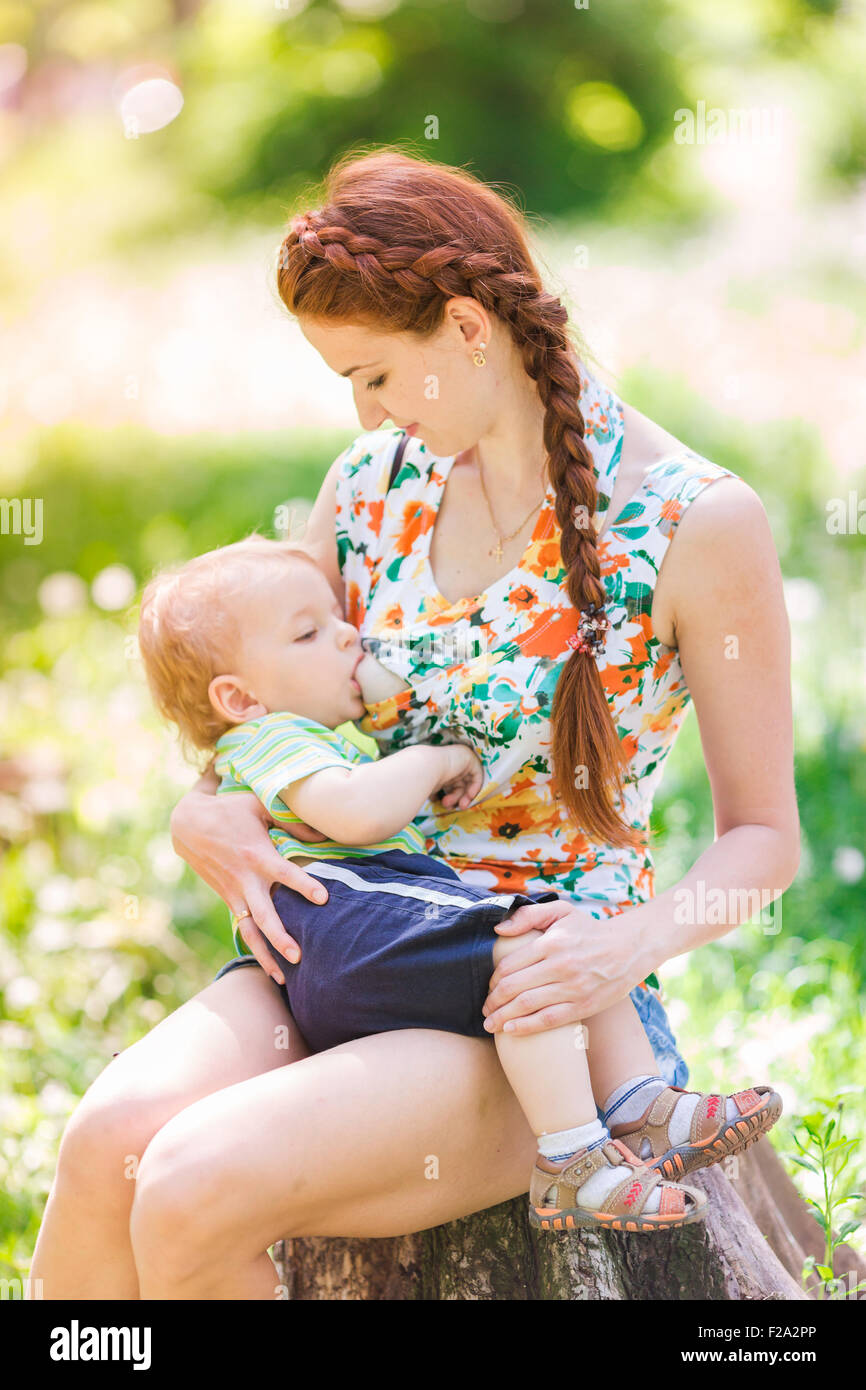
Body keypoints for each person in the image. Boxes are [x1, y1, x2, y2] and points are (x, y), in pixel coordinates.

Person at [30, 148, 799, 1297]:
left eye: (376, 374)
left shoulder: (691, 519)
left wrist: (618, 950)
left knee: (191, 1179)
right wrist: (205, 814)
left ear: (465, 327)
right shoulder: (370, 485)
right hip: (338, 942)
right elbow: (255, 706)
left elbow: (765, 842)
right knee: (106, 1148)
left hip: (527, 1003)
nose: (364, 410)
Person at [135, 533, 783, 1232]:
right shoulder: (276, 738)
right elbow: (355, 811)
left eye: (337, 618)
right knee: (530, 943)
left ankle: (640, 1105)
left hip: (352, 937)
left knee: (556, 936)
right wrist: (438, 758)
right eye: (310, 633)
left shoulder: (283, 736)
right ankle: (575, 1155)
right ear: (239, 697)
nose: (350, 635)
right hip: (346, 925)